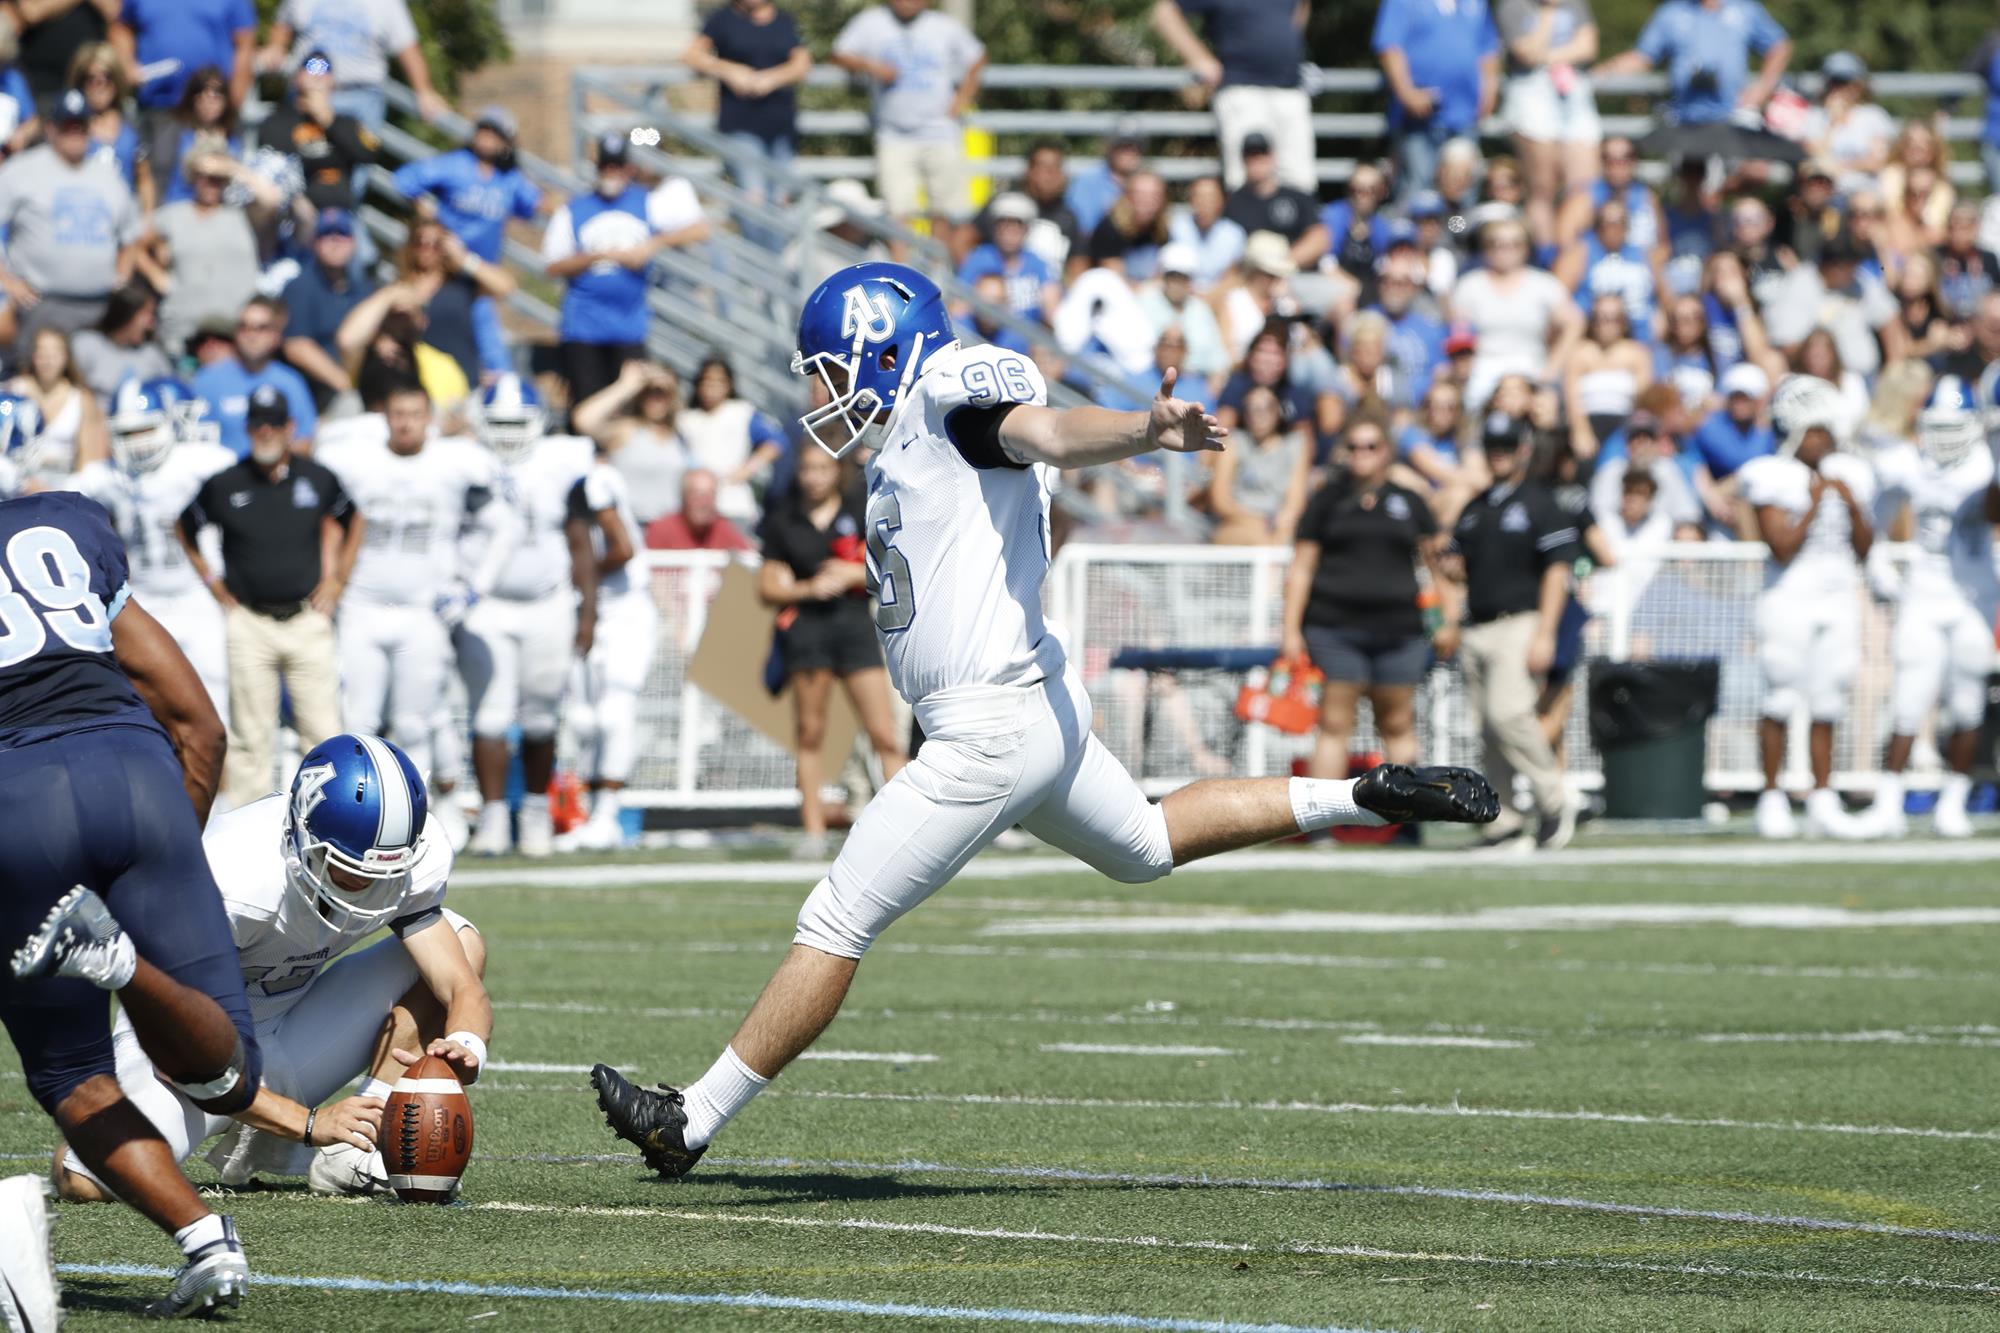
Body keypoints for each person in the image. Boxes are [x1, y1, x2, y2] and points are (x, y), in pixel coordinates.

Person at [588, 259, 1498, 1179]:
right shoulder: (909, 435)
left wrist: (1144, 429)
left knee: (837, 918)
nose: (822, 393)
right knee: (1146, 841)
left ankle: (689, 1120)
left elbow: (1048, 429)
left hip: (988, 723)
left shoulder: (952, 395)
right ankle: (1363, 793)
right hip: (1033, 703)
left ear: (886, 351)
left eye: (830, 370)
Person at [0, 488, 265, 1318]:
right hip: (137, 776)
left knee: (71, 1072)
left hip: (17, 799)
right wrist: (161, 870)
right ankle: (208, 1242)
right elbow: (201, 729)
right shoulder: (65, 522)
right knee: (227, 1076)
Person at [52, 734, 492, 1202]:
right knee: (86, 1179)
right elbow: (180, 1056)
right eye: (348, 870)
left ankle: (358, 1146)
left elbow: (460, 985)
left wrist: (465, 1046)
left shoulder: (406, 855)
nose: (368, 889)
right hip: (191, 1047)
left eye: (383, 874)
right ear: (301, 834)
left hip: (289, 1023)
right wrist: (309, 1123)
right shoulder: (226, 877)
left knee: (461, 940)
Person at [317, 381, 514, 817]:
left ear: (429, 419)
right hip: (362, 608)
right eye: (398, 414)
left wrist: (473, 587)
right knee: (357, 723)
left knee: (414, 723)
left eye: (414, 414)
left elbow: (504, 526)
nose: (405, 424)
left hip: (422, 611)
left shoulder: (454, 463)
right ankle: (357, 816)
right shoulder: (354, 460)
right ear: (385, 418)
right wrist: (330, 579)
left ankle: (415, 820)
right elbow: (320, 519)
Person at [178, 384, 359, 805]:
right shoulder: (225, 483)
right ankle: (250, 826)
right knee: (250, 739)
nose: (266, 431)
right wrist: (212, 582)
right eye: (259, 423)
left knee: (324, 733)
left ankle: (327, 820)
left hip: (307, 619)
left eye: (275, 423)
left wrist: (337, 580)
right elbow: (185, 526)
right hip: (250, 621)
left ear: (290, 427)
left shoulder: (316, 477)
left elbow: (353, 518)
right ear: (247, 428)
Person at [459, 375, 596, 859]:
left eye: (518, 423)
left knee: (541, 716)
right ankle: (493, 815)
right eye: (499, 424)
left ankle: (536, 810)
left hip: (548, 604)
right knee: (489, 716)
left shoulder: (560, 464)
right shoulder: (465, 464)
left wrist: (588, 611)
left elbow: (579, 540)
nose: (509, 434)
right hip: (487, 606)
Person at [1859, 377, 2000, 840]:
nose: (1943, 437)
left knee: (1967, 701)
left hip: (1973, 592)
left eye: (1953, 427)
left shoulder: (1987, 462)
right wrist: (1877, 560)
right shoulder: (1905, 462)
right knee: (1909, 697)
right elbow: (1872, 512)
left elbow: (1995, 513)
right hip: (1923, 587)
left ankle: (1954, 801)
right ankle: (1887, 800)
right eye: (1936, 426)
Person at [1739, 375, 1872, 840]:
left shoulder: (1849, 475)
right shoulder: (1771, 474)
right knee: (1779, 695)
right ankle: (1772, 796)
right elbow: (1780, 547)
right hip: (1789, 596)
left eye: (1826, 431)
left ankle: (1822, 797)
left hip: (1837, 595)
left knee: (1829, 698)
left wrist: (1851, 506)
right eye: (1814, 431)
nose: (1823, 440)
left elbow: (1865, 549)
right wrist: (1815, 504)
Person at [1282, 414, 1451, 780]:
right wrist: (1290, 630)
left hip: (1399, 631)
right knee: (1334, 723)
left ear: (1386, 451)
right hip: (1335, 628)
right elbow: (1302, 568)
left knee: (1397, 723)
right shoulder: (1326, 499)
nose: (1362, 453)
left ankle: (1406, 811)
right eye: (1354, 446)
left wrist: (1446, 621)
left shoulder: (1409, 500)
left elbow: (1436, 569)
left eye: (1371, 446)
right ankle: (1324, 813)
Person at [757, 444, 909, 849]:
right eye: (807, 468)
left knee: (884, 733)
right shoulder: (783, 520)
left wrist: (851, 574)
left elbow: (891, 567)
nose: (815, 477)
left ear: (836, 471)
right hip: (808, 631)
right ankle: (813, 833)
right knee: (810, 733)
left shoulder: (860, 509)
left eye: (823, 468)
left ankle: (905, 828)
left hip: (856, 626)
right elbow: (768, 587)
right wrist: (807, 588)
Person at [1446, 411, 1579, 850]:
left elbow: (1558, 570)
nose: (1498, 454)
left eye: (1506, 446)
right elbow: (1453, 562)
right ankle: (1503, 817)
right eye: (1492, 446)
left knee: (1510, 715)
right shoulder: (1476, 507)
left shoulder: (1541, 502)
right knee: (1486, 727)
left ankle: (1554, 801)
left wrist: (1546, 632)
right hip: (1477, 626)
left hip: (1521, 621)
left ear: (1523, 450)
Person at [72, 378, 235, 717]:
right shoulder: (108, 477)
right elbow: (59, 496)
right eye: (128, 433)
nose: (138, 441)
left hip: (197, 595)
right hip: (144, 599)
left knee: (216, 690)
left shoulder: (197, 463)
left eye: (146, 429)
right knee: (148, 697)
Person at [542, 132, 711, 407]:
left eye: (617, 166)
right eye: (606, 166)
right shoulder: (574, 209)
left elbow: (700, 229)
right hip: (584, 327)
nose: (612, 173)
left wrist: (652, 245)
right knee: (588, 407)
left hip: (629, 327)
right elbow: (552, 264)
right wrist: (597, 256)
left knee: (630, 410)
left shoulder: (647, 202)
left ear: (628, 168)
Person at [0, 88, 144, 361]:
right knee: (38, 376)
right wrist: (7, 282)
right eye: (67, 126)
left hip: (99, 306)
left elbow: (130, 236)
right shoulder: (20, 170)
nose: (75, 133)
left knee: (96, 378)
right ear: (51, 129)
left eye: (81, 126)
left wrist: (121, 277)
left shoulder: (109, 176)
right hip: (41, 304)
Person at [559, 458, 658, 851]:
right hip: (593, 607)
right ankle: (586, 813)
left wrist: (581, 573)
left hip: (623, 610)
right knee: (585, 719)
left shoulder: (593, 479)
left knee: (615, 713)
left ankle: (607, 814)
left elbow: (623, 547)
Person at [830, 0, 986, 245]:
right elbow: (839, 53)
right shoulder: (871, 22)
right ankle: (901, 267)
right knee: (897, 212)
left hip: (940, 131)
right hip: (893, 133)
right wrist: (871, 67)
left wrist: (962, 100)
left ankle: (937, 265)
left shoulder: (944, 26)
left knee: (943, 211)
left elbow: (977, 56)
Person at [684, 0, 812, 250]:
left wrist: (771, 79)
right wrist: (729, 70)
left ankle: (772, 267)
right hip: (740, 125)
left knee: (779, 202)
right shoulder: (723, 19)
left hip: (780, 127)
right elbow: (692, 55)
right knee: (754, 199)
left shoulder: (784, 21)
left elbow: (802, 64)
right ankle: (763, 265)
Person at [1150, 0, 1313, 192]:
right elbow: (1165, 13)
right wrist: (1200, 59)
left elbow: (1302, 5)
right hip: (1241, 91)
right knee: (1245, 183)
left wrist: (1286, 41)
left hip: (1290, 90)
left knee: (1299, 182)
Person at [143, 145, 272, 356]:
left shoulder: (243, 216)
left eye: (217, 178)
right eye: (203, 176)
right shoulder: (173, 215)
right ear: (192, 177)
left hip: (235, 333)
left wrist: (232, 168)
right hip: (183, 332)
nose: (210, 183)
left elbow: (271, 199)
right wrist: (157, 277)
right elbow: (134, 241)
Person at [1498, 0, 1600, 251]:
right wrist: (1548, 12)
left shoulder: (1575, 4)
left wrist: (1546, 56)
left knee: (1584, 188)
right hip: (1531, 97)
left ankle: (1574, 254)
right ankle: (1546, 255)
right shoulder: (1512, 6)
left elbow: (1588, 47)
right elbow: (1527, 53)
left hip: (1571, 94)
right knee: (1542, 186)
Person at [1593, 0, 1790, 128]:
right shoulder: (1672, 12)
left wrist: (1762, 88)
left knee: (1753, 169)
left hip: (1734, 114)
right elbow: (1642, 57)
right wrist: (1604, 70)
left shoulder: (1745, 9)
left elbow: (1779, 47)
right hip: (1686, 117)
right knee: (1690, 174)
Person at [1373, 0, 1500, 198]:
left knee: (1462, 192)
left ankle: (1456, 220)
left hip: (1465, 114)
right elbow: (1389, 46)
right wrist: (1407, 92)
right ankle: (1413, 220)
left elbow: (1488, 47)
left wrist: (1489, 90)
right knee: (1418, 190)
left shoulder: (1474, 3)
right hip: (1417, 118)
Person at [1451, 218, 1582, 408]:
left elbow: (1574, 322)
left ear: (1526, 248)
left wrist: (1552, 368)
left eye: (1514, 244)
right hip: (1484, 367)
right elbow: (1459, 336)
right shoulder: (1469, 285)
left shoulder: (1543, 284)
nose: (1506, 250)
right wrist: (1465, 371)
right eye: (1498, 244)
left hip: (1531, 366)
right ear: (1486, 248)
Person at [262, 0, 447, 129]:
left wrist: (424, 91)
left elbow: (407, 48)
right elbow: (283, 24)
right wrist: (276, 47)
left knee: (350, 163)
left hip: (357, 97)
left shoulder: (387, 3)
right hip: (306, 91)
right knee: (295, 159)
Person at [390, 105, 539, 265]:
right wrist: (426, 211)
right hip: (445, 260)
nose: (487, 137)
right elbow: (405, 179)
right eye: (483, 129)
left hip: (482, 266)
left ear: (506, 142)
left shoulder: (510, 177)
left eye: (496, 133)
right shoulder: (455, 163)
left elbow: (534, 203)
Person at [258, 47, 380, 218]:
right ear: (296, 78)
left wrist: (329, 121)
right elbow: (278, 161)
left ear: (333, 82)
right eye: (310, 68)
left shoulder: (346, 122)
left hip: (338, 211)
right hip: (292, 209)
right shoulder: (278, 120)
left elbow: (368, 154)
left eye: (324, 70)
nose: (317, 76)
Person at [191, 296, 319, 458]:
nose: (252, 335)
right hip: (222, 469)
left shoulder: (291, 382)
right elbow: (194, 442)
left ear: (276, 336)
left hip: (274, 469)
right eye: (244, 327)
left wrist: (267, 459)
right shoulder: (206, 381)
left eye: (261, 328)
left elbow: (305, 441)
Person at [571, 359, 693, 525]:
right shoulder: (626, 430)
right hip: (631, 527)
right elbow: (583, 420)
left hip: (669, 529)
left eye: (661, 393)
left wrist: (668, 381)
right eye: (648, 391)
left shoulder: (680, 434)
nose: (655, 398)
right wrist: (626, 385)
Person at [109, 0, 253, 137]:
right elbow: (120, 28)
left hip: (212, 111)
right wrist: (127, 65)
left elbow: (244, 43)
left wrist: (232, 105)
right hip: (158, 108)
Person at [281, 210, 377, 410]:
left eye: (342, 234)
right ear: (314, 243)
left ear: (353, 243)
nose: (335, 242)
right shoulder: (299, 287)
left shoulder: (366, 289)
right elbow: (297, 346)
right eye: (326, 235)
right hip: (314, 396)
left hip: (360, 387)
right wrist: (347, 386)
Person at [679, 355, 785, 528]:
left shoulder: (742, 412)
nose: (712, 387)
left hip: (733, 503)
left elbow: (776, 441)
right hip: (696, 504)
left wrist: (747, 469)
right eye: (707, 381)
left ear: (729, 385)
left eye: (718, 381)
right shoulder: (686, 419)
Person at [1207, 383, 1310, 544]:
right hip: (1238, 520)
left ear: (1278, 410)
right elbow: (1220, 499)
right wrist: (1254, 522)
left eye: (1267, 407)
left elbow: (1296, 498)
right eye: (1252, 408)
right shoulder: (1234, 441)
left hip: (1281, 523)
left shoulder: (1295, 443)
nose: (1259, 414)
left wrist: (1282, 522)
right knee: (1251, 537)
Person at [8, 327, 106, 481]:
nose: (48, 360)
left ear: (66, 357)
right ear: (33, 356)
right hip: (18, 482)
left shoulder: (81, 399)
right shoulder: (13, 392)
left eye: (54, 353)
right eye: (42, 353)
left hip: (64, 484)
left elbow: (88, 459)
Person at [1563, 293, 1651, 460]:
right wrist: (1580, 431)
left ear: (1624, 322)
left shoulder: (1637, 354)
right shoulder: (1580, 353)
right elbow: (1572, 398)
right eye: (1601, 318)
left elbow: (1642, 398)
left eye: (1614, 318)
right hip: (1589, 422)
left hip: (1624, 424)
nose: (1606, 324)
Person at [1222, 133, 1325, 273]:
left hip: (1294, 272)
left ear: (1272, 156)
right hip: (1249, 276)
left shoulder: (1298, 198)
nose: (1256, 160)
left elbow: (1318, 238)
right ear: (1243, 159)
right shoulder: (1232, 203)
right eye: (1250, 155)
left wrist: (1280, 264)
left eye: (1261, 154)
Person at [1555, 196, 1656, 338]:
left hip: (1639, 335)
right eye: (1607, 223)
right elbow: (1557, 298)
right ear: (1597, 226)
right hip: (1589, 335)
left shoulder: (1643, 255)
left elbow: (1664, 299)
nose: (1614, 228)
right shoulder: (1580, 253)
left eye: (1620, 222)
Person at [148, 65, 240, 210]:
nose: (209, 103)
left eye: (216, 96)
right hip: (179, 206)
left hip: (221, 211)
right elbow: (160, 176)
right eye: (202, 95)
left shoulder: (233, 141)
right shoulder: (176, 134)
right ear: (192, 99)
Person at [958, 192, 1058, 323]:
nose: (1009, 230)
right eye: (1003, 223)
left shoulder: (1037, 264)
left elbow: (1053, 312)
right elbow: (958, 307)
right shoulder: (978, 258)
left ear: (1027, 228)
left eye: (1017, 223)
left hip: (1027, 334)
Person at [1802, 52, 1891, 197]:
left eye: (1844, 82)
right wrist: (1833, 124)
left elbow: (1876, 162)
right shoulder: (1815, 116)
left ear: (1858, 85)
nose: (1838, 89)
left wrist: (1840, 166)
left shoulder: (1873, 116)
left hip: (1864, 192)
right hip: (1824, 192)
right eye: (1833, 82)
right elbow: (1814, 156)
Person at [71, 281, 173, 403]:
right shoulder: (85, 345)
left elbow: (170, 393)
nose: (151, 324)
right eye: (147, 314)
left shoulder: (152, 355)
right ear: (127, 314)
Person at [68, 41, 142, 189]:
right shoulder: (70, 126)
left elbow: (143, 179)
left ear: (117, 80)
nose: (99, 85)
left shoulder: (133, 122)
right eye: (91, 79)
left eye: (107, 77)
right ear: (80, 82)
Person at [643, 467, 756, 551]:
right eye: (697, 495)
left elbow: (746, 558)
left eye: (709, 496)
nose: (704, 503)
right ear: (684, 496)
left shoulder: (723, 528)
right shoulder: (661, 529)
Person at [1166, 176, 1246, 290]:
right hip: (1181, 292)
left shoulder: (1234, 234)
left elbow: (1233, 277)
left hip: (1219, 295)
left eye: (1210, 197)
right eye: (1199, 197)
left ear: (1222, 201)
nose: (1204, 203)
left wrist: (1208, 297)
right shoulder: (1177, 227)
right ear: (1190, 200)